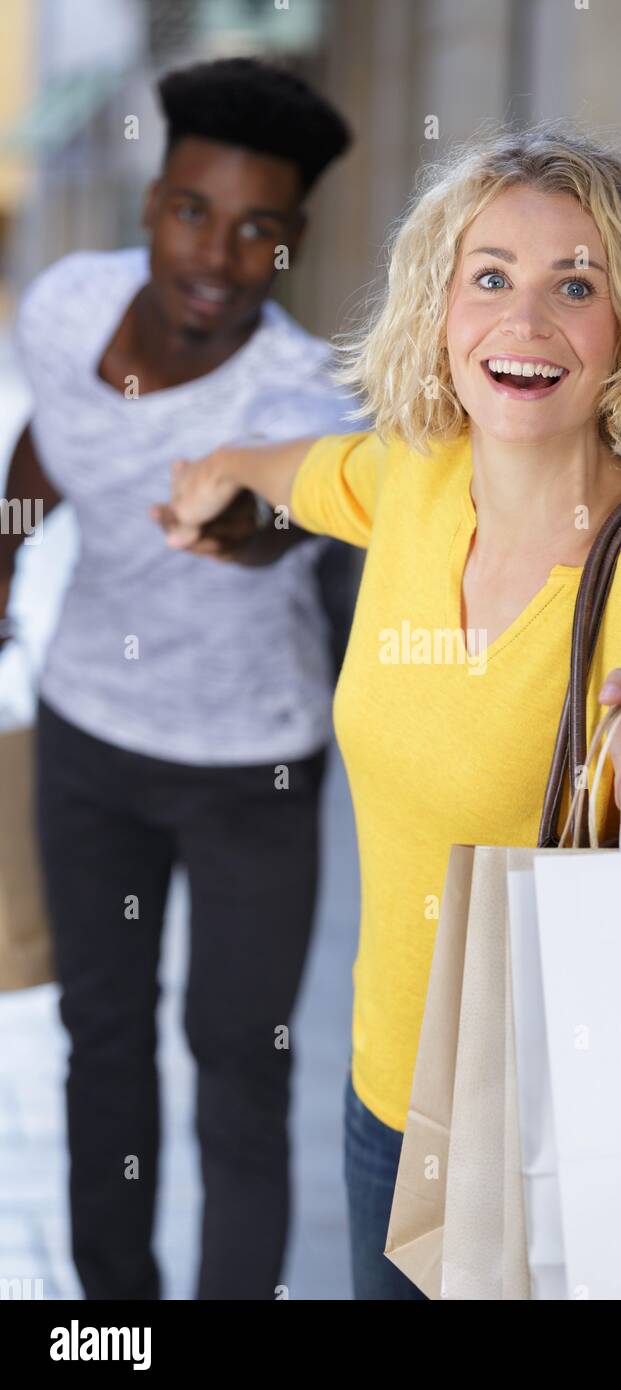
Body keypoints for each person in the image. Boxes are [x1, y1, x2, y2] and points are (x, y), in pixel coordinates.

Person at [155, 123, 621, 1300]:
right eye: (489, 277)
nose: (522, 323)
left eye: (573, 287)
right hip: (387, 1095)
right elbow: (308, 476)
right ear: (440, 310)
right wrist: (218, 469)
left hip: (555, 1133)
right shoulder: (417, 479)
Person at [0, 57, 357, 1300]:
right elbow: (48, 438)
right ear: (153, 202)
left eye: (258, 230)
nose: (217, 255)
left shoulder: (304, 394)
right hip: (88, 734)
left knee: (240, 1068)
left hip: (251, 767)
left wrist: (236, 524)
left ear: (293, 242)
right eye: (193, 213)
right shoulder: (60, 307)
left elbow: (281, 520)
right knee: (101, 1041)